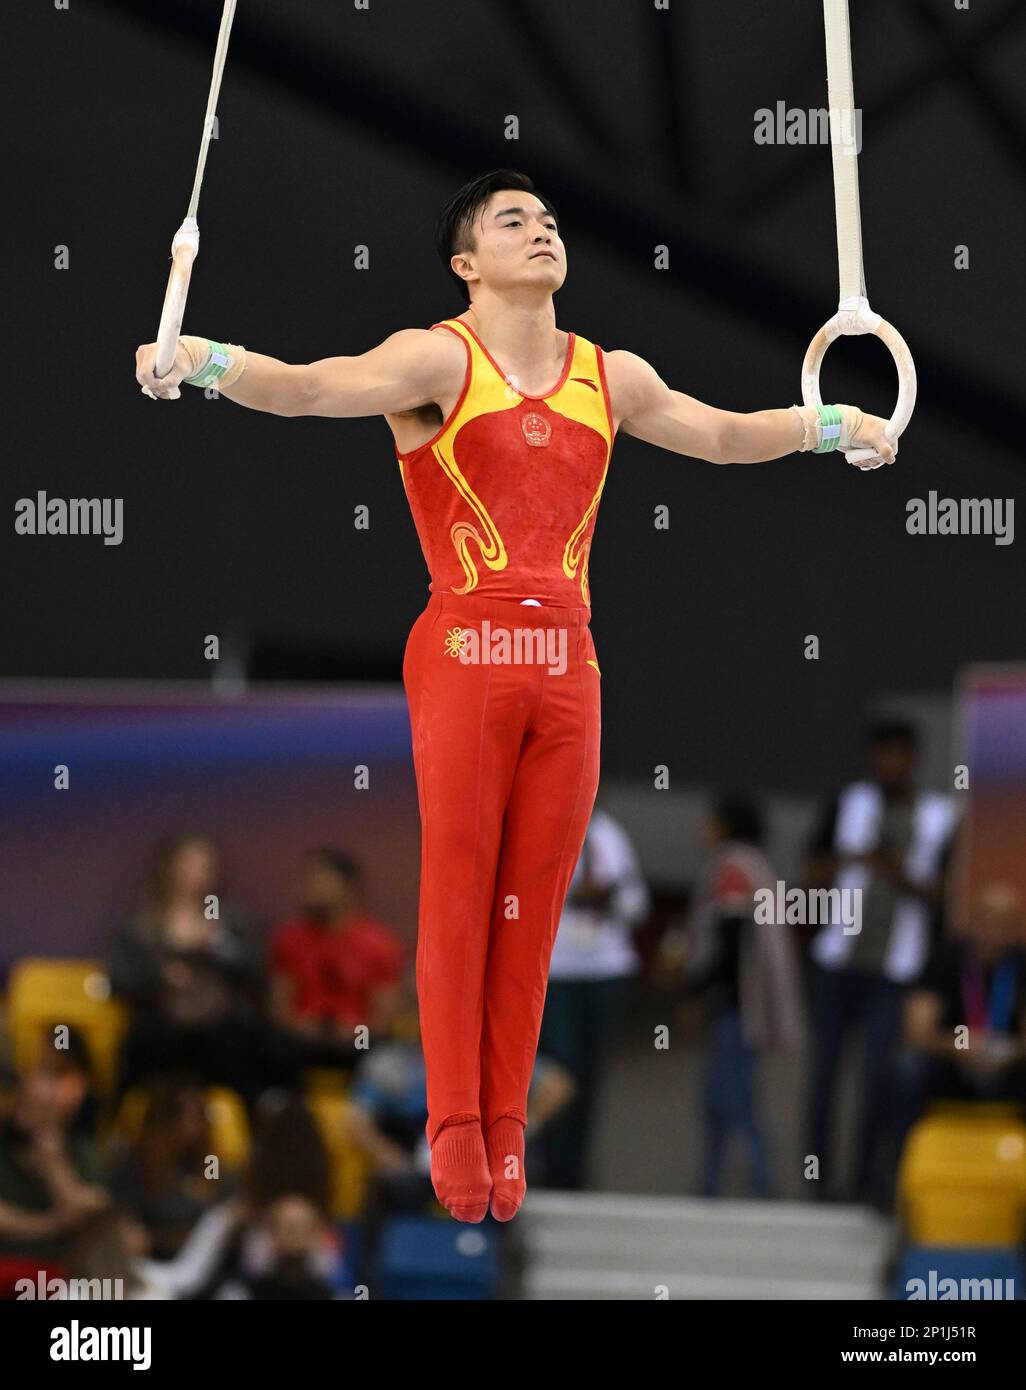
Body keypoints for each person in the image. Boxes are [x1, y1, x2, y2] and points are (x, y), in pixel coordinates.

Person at [135, 168, 897, 1222]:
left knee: (530, 910)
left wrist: (833, 424)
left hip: (568, 667)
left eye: (547, 218)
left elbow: (721, 434)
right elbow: (310, 385)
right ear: (467, 263)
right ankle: (454, 1123)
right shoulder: (435, 358)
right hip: (464, 646)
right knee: (462, 885)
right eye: (512, 221)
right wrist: (202, 361)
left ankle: (505, 1123)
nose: (541, 230)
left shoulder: (611, 375)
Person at [804, 719, 957, 1204]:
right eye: (882, 754)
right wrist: (850, 861)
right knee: (824, 1075)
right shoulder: (847, 803)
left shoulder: (940, 815)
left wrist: (897, 873)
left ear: (914, 759)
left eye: (899, 755)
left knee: (879, 1077)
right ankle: (818, 1180)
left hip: (896, 968)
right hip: (836, 960)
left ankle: (867, 1178)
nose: (890, 764)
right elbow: (810, 875)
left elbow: (946, 899)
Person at [683, 796, 805, 1198]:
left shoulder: (733, 867)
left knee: (732, 1097)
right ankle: (710, 1182)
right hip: (745, 1002)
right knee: (720, 1098)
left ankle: (761, 1180)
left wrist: (700, 992)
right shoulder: (756, 865)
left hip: (739, 1004)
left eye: (711, 820)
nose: (705, 828)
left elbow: (731, 939)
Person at [107, 833, 267, 1104]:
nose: (200, 873)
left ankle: (251, 1130)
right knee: (145, 1044)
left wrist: (217, 945)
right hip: (160, 1025)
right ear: (170, 868)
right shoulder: (142, 924)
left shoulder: (228, 918)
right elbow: (118, 982)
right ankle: (124, 1132)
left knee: (243, 1044)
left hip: (220, 1027)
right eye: (191, 864)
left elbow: (255, 971)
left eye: (207, 865)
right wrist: (161, 978)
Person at [539, 805, 649, 1189]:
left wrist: (609, 897)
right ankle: (545, 1163)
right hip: (557, 968)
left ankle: (574, 1168)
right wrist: (570, 893)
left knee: (589, 1073)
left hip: (605, 968)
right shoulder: (543, 822)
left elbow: (638, 903)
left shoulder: (610, 835)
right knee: (557, 1067)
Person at [269, 848, 405, 1061]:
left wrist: (354, 1033)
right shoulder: (290, 939)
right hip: (300, 1044)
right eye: (309, 881)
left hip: (359, 1045)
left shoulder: (378, 945)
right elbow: (279, 1008)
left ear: (349, 889)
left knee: (385, 1060)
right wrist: (302, 1028)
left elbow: (384, 1018)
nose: (311, 889)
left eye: (322, 882)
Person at [0, 1049, 110, 1296]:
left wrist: (54, 1165)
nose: (28, 1113)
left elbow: (88, 1215)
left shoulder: (79, 1152)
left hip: (58, 1271)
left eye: (41, 1107)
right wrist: (51, 1225)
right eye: (25, 1102)